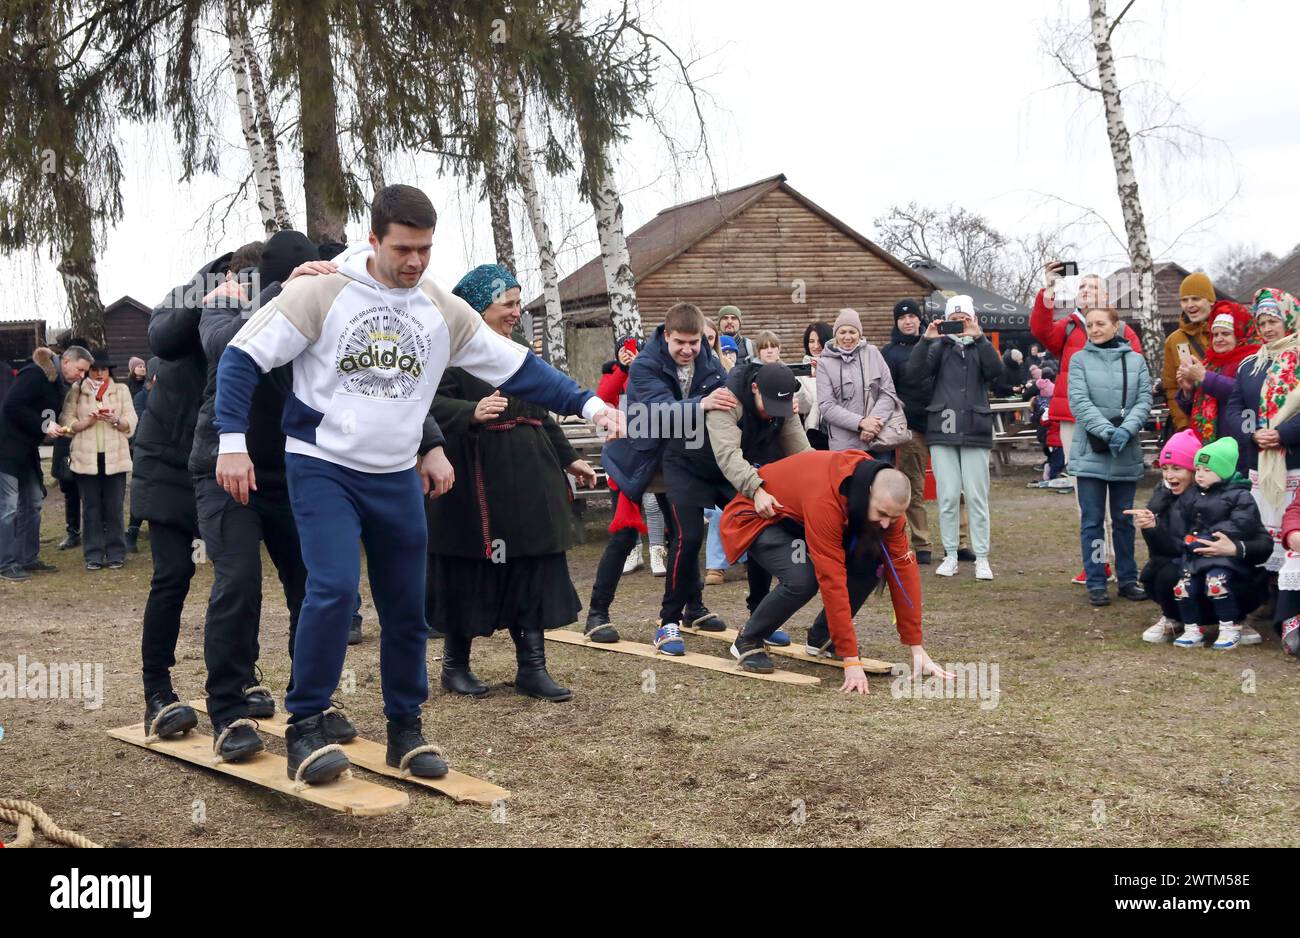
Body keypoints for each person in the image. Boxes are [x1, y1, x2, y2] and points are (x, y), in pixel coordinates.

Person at [214, 184, 620, 784]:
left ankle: (405, 727)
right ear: (374, 239)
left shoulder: (438, 308)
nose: (414, 262)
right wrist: (231, 442)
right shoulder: (321, 290)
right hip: (322, 463)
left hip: (394, 472)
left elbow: (517, 366)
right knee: (332, 589)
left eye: (425, 249)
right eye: (403, 248)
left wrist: (588, 404)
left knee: (407, 605)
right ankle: (306, 725)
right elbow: (242, 357)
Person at [193, 232, 357, 762]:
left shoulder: (325, 318)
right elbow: (224, 344)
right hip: (225, 468)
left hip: (292, 472)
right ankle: (229, 708)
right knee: (239, 582)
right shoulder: (228, 304)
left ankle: (312, 703)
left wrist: (428, 442)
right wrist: (283, 295)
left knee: (314, 588)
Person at [427, 263, 597, 703]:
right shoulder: (447, 349)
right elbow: (424, 405)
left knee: (531, 566)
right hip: (472, 474)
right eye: (509, 303)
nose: (517, 312)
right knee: (468, 568)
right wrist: (469, 412)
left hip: (530, 474)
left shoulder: (519, 348)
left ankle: (532, 668)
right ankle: (455, 666)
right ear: (478, 308)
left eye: (519, 303)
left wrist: (569, 458)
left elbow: (541, 408)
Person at [133, 248, 257, 742]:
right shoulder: (193, 293)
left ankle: (241, 680)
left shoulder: (255, 307)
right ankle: (157, 693)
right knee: (173, 575)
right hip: (167, 461)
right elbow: (163, 336)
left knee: (236, 573)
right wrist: (210, 291)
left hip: (217, 461)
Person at [719, 450, 951, 691]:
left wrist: (916, 646)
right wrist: (851, 659)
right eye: (882, 514)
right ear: (868, 492)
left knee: (873, 564)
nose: (885, 523)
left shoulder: (887, 509)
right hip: (759, 516)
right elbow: (832, 577)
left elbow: (902, 568)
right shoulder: (826, 498)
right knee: (803, 580)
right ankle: (748, 638)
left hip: (797, 520)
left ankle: (823, 637)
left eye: (893, 518)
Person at [600, 302, 737, 657]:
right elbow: (655, 415)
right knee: (624, 533)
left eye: (695, 342)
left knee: (687, 534)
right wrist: (702, 405)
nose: (689, 349)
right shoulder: (645, 364)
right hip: (639, 458)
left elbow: (728, 393)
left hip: (683, 459)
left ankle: (693, 609)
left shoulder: (708, 359)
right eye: (681, 342)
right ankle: (598, 614)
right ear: (666, 335)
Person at [1031, 263, 1144, 585]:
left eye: (1093, 288)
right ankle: (1098, 561)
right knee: (1087, 497)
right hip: (1074, 419)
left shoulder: (1124, 333)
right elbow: (1040, 329)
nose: (1086, 292)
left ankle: (1121, 566)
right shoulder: (1068, 327)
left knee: (1117, 499)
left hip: (1115, 421)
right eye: (1082, 289)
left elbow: (1137, 378)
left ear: (1107, 298)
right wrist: (1049, 289)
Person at [704, 360, 812, 643]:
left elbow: (802, 453)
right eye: (768, 407)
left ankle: (758, 616)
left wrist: (822, 480)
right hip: (711, 469)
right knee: (689, 537)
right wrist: (757, 489)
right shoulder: (726, 401)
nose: (772, 415)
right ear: (754, 389)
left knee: (766, 530)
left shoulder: (781, 404)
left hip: (757, 463)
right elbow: (728, 457)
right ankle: (683, 611)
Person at [908, 295, 1001, 580]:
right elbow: (913, 375)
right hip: (942, 430)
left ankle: (981, 557)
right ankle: (950, 554)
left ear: (973, 319)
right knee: (947, 496)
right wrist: (926, 341)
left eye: (964, 319)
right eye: (955, 320)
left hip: (975, 428)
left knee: (976, 496)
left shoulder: (981, 347)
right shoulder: (938, 346)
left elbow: (997, 374)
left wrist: (981, 339)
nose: (960, 325)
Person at [1066, 304, 1152, 606]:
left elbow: (1144, 399)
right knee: (1092, 521)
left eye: (1100, 323)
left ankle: (1128, 578)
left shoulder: (1137, 361)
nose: (1094, 329)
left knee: (1124, 520)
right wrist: (1107, 431)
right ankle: (1097, 580)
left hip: (1124, 450)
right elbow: (1079, 402)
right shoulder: (1079, 360)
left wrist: (1126, 430)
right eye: (1090, 325)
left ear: (1116, 325)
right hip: (1092, 450)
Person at [0, 347, 92, 581]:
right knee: (8, 507)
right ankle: (6, 562)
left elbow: (46, 415)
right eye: (80, 370)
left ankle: (27, 558)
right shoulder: (34, 374)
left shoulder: (58, 385)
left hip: (27, 452)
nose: (81, 376)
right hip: (7, 449)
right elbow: (11, 406)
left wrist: (57, 427)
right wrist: (43, 425)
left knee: (32, 503)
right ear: (67, 361)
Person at [1225, 288, 1300, 574]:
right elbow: (1235, 408)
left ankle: (1290, 601)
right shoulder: (1250, 365)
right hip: (1260, 463)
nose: (1267, 329)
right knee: (1261, 532)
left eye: (1273, 321)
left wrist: (1283, 433)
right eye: (1262, 323)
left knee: (1292, 530)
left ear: (1289, 320)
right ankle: (1266, 594)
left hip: (1295, 462)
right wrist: (1252, 434)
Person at [1166, 437, 1267, 649]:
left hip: (1223, 557)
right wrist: (1186, 539)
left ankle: (1229, 626)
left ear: (1223, 471)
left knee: (1216, 585)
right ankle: (1193, 628)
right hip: (1194, 555)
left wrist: (1209, 537)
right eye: (1198, 469)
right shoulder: (1190, 495)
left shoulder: (1240, 495)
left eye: (1208, 470)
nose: (1200, 474)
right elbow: (1179, 520)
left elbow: (1243, 523)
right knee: (1182, 588)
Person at [595, 335, 666, 577]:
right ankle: (632, 551)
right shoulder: (612, 373)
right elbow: (604, 396)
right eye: (623, 350)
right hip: (621, 448)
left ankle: (658, 550)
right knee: (623, 501)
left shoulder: (649, 372)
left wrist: (636, 368)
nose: (627, 353)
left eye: (633, 350)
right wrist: (623, 369)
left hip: (647, 444)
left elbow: (646, 397)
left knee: (653, 502)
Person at [61, 349, 136, 571]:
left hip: (115, 457)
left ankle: (116, 553)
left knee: (113, 506)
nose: (100, 374)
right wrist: (86, 422)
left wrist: (116, 419)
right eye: (95, 370)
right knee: (91, 508)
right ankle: (93, 554)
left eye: (103, 369)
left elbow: (132, 419)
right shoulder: (76, 391)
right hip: (86, 458)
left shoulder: (121, 390)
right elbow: (66, 422)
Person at [883, 299, 937, 562]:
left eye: (912, 317)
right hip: (910, 426)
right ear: (897, 322)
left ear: (919, 319)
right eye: (902, 318)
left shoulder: (936, 344)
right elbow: (884, 387)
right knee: (914, 486)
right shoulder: (890, 352)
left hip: (941, 423)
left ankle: (959, 542)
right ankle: (922, 541)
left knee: (953, 486)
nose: (908, 321)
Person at [817, 308, 906, 460]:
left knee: (883, 483)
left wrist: (873, 427)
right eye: (842, 332)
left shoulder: (873, 353)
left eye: (852, 332)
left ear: (859, 334)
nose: (847, 337)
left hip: (878, 439)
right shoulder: (824, 363)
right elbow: (826, 405)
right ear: (835, 334)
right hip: (844, 445)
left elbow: (888, 393)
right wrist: (861, 423)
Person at [1175, 302, 1258, 444]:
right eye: (1215, 334)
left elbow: (1245, 392)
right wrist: (1188, 391)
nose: (1219, 339)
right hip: (1209, 447)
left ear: (1240, 335)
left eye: (1226, 334)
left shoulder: (1253, 359)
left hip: (1238, 441)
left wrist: (1204, 377)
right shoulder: (1210, 362)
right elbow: (1195, 411)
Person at [1163, 272, 1217, 431]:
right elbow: (1171, 387)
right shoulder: (1174, 341)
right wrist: (1183, 426)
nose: (1190, 305)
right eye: (1184, 300)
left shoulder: (1226, 332)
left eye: (1196, 298)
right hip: (1196, 424)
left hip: (1228, 419)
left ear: (1211, 301)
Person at [799, 321, 833, 450]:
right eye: (811, 341)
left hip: (835, 432)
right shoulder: (801, 373)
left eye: (820, 341)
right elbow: (802, 407)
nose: (816, 346)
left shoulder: (839, 368)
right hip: (810, 434)